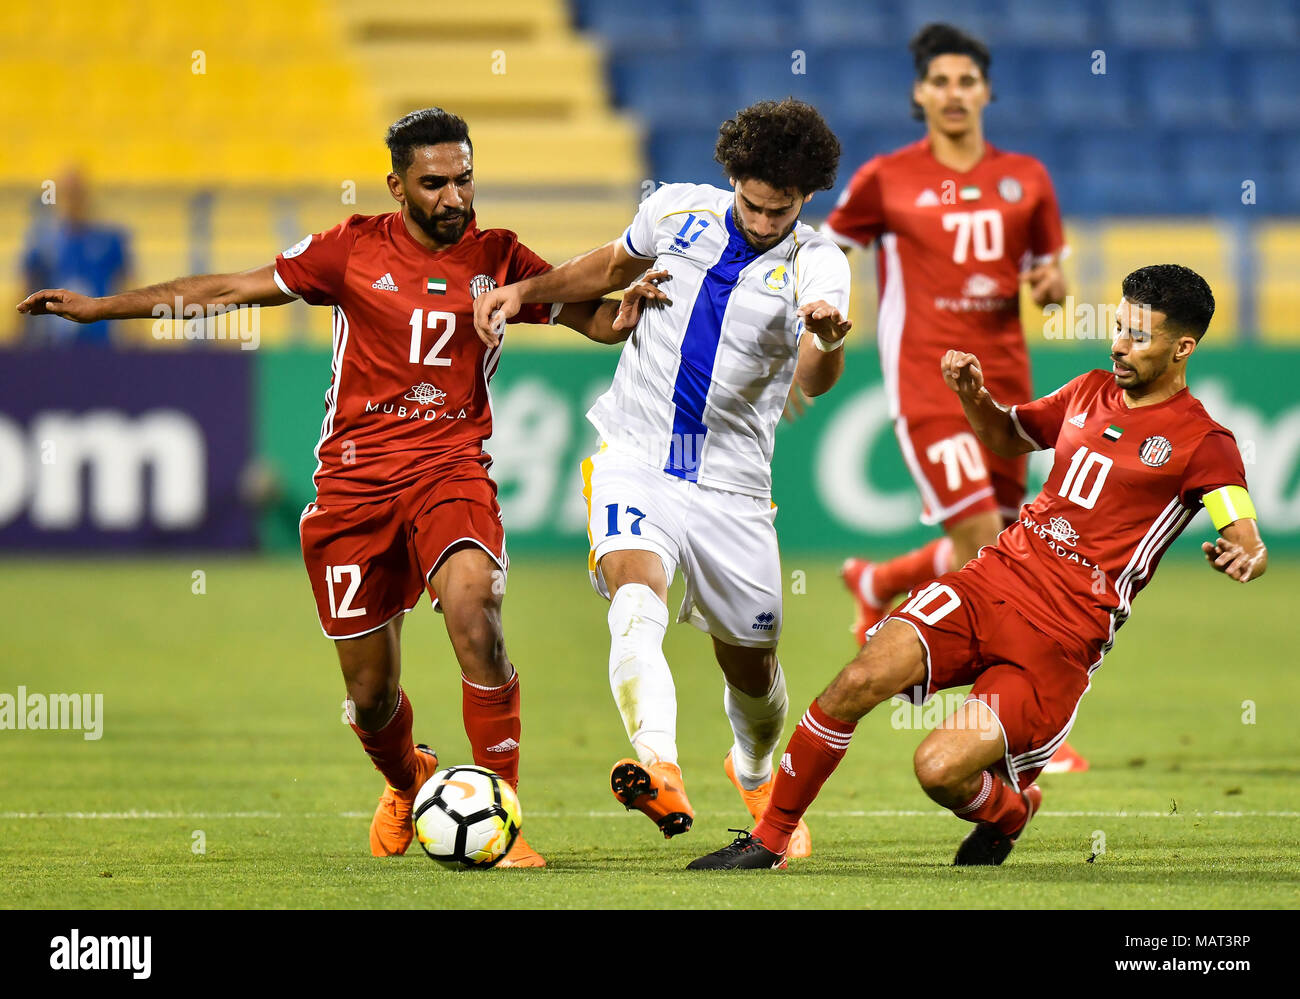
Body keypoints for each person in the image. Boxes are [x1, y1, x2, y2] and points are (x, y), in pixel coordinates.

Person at [16, 107, 627, 866]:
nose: (454, 197)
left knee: (477, 609)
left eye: (464, 179)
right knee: (371, 696)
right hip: (353, 489)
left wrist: (640, 308)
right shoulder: (350, 249)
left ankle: (501, 823)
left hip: (448, 468)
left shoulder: (499, 256)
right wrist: (105, 305)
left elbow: (593, 319)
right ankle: (408, 780)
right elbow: (234, 289)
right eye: (434, 183)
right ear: (396, 185)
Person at [687, 264, 1267, 870]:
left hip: (1061, 637)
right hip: (990, 581)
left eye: (1138, 337)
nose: (1119, 344)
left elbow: (1243, 530)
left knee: (937, 771)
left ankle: (1011, 812)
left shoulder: (1206, 442)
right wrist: (974, 396)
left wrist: (1244, 554)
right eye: (1118, 327)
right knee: (856, 682)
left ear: (1183, 348)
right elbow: (1007, 436)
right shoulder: (1088, 390)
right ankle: (769, 839)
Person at [472, 99, 851, 857]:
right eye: (752, 202)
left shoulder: (820, 261)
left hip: (734, 490)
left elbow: (816, 378)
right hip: (636, 456)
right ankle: (659, 765)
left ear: (805, 199)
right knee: (635, 598)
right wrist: (526, 291)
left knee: (753, 669)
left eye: (781, 209)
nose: (764, 219)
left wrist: (828, 338)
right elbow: (610, 266)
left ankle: (752, 768)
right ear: (731, 178)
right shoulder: (677, 209)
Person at [823, 23, 1088, 773]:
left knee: (1005, 539)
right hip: (927, 383)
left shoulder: (1027, 178)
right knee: (984, 542)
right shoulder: (884, 178)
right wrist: (814, 326)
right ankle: (1008, 727)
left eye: (966, 81)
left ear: (986, 91)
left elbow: (1054, 276)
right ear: (919, 94)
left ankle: (877, 580)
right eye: (938, 81)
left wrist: (1052, 284)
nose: (953, 94)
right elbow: (827, 249)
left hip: (1005, 389)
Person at [20, 168, 132, 346]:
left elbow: (126, 286)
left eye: (77, 193)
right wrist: (20, 341)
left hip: (100, 341)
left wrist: (132, 339)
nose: (73, 201)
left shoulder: (109, 240)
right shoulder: (42, 242)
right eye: (67, 194)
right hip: (53, 343)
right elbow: (25, 288)